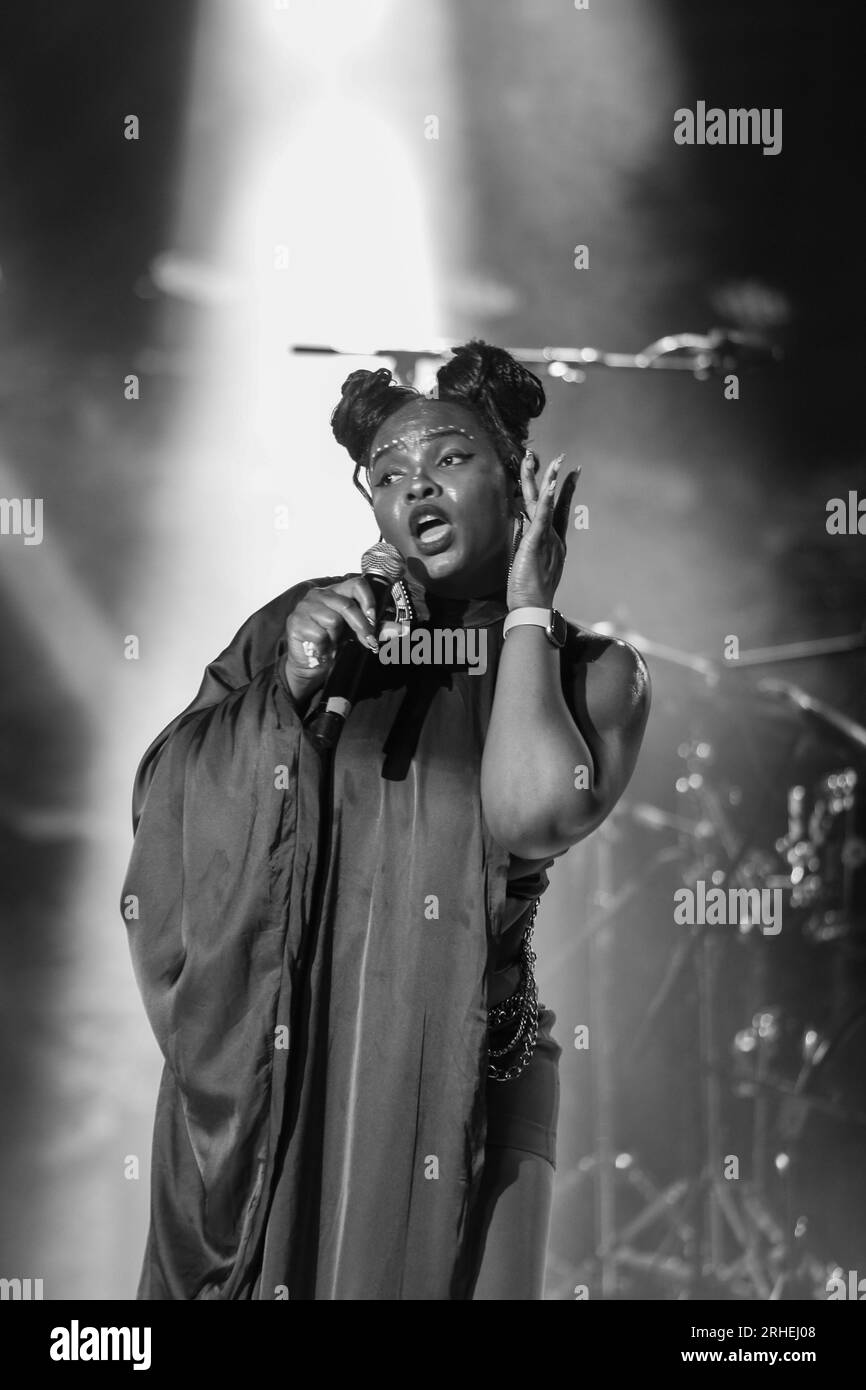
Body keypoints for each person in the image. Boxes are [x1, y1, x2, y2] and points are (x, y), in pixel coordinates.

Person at [122, 339, 650, 1300]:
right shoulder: (312, 627)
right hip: (289, 1063)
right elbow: (167, 805)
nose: (417, 487)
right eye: (389, 475)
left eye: (450, 458)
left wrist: (527, 612)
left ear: (521, 480)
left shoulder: (591, 670)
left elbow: (529, 815)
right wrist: (284, 689)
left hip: (472, 1073)